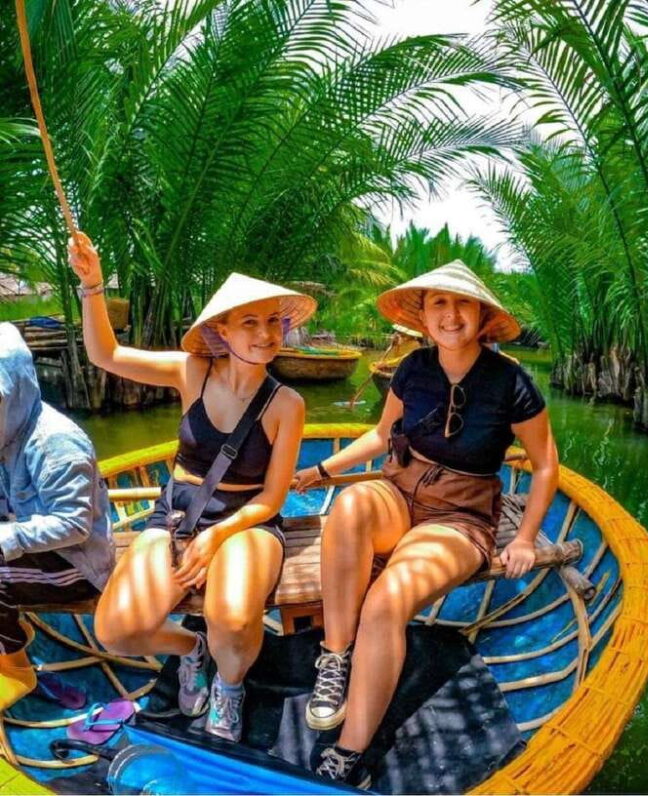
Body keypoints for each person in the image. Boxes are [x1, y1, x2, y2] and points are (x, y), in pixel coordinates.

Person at [293, 260, 559, 787]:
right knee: (348, 507)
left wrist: (526, 537)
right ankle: (336, 658)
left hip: (460, 516)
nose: (451, 314)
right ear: (424, 315)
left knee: (387, 602)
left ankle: (352, 749)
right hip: (400, 491)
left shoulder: (511, 382)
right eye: (439, 302)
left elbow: (546, 463)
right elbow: (379, 434)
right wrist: (323, 470)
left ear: (482, 316)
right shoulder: (413, 368)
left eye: (462, 303)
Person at [68, 233, 315, 742]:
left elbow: (272, 498)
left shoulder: (286, 404)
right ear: (221, 330)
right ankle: (189, 650)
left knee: (230, 615)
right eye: (250, 321)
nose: (266, 334)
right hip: (177, 511)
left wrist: (219, 534)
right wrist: (92, 287)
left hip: (248, 520)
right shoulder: (192, 373)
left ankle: (230, 684)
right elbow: (105, 354)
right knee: (116, 629)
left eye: (274, 321)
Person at [0, 323, 114, 710]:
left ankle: (18, 671)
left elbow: (74, 525)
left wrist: (5, 539)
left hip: (78, 566)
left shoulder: (55, 442)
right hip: (37, 554)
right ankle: (14, 639)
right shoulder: (7, 432)